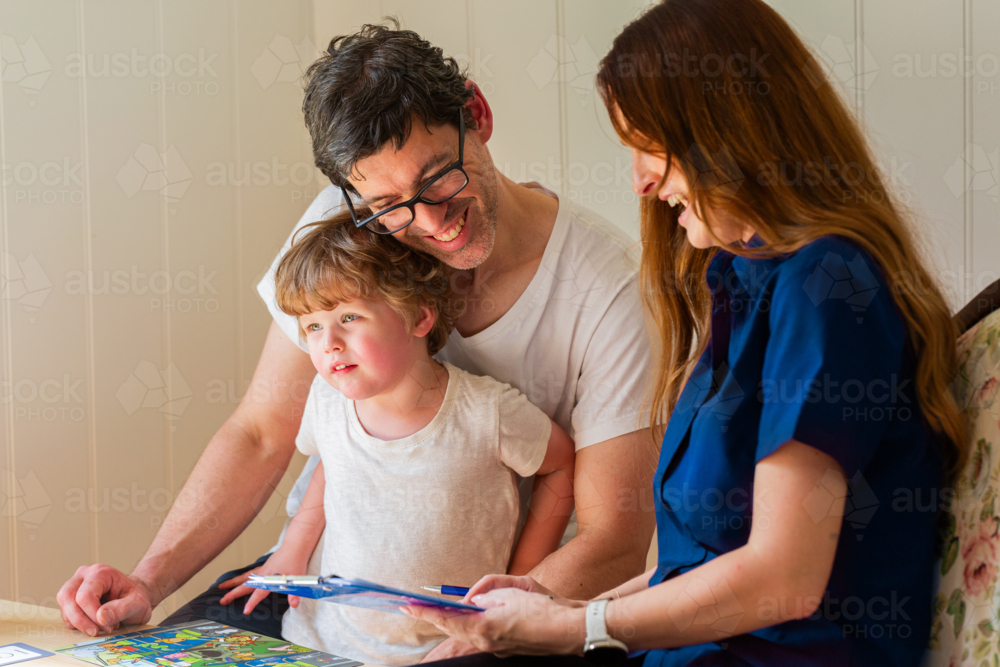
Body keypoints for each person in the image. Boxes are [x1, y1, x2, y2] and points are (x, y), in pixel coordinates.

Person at [58, 21, 657, 663]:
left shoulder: (609, 289)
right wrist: (147, 581)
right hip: (332, 581)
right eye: (389, 205)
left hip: (507, 600)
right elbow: (263, 431)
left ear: (475, 114)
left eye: (439, 179)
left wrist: (497, 617)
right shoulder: (344, 226)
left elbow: (614, 536)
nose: (429, 223)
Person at [407, 1, 966, 665]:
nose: (641, 181)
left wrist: (569, 629)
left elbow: (782, 579)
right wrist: (567, 611)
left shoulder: (831, 286)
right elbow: (701, 563)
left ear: (730, 133)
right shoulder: (743, 279)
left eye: (651, 147)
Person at [210, 213, 575, 665]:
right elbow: (334, 467)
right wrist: (291, 550)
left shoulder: (487, 413)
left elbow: (559, 464)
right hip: (320, 640)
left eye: (349, 317)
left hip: (445, 645)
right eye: (312, 327)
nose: (329, 343)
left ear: (420, 315)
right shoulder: (327, 400)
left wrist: (521, 580)